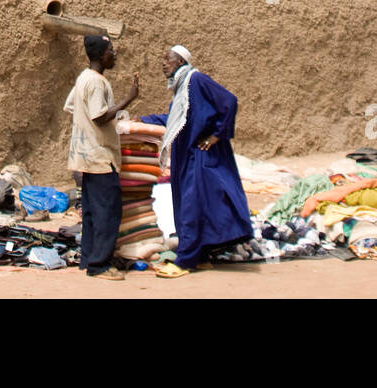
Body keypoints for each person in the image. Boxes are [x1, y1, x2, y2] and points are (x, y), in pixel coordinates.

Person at [141, 44, 252, 270]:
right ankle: (200, 255)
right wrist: (144, 121)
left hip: (200, 155)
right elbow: (174, 119)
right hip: (187, 155)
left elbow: (229, 101)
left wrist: (217, 136)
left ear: (181, 61)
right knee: (195, 204)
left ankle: (186, 261)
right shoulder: (182, 88)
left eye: (168, 59)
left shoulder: (197, 80)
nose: (163, 63)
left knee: (192, 205)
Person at [63, 34, 137, 280]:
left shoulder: (83, 78)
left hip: (88, 157)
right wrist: (128, 99)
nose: (114, 54)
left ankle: (89, 259)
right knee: (107, 212)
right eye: (111, 50)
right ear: (100, 55)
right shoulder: (96, 83)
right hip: (101, 158)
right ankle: (100, 266)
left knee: (92, 212)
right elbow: (99, 116)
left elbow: (72, 106)